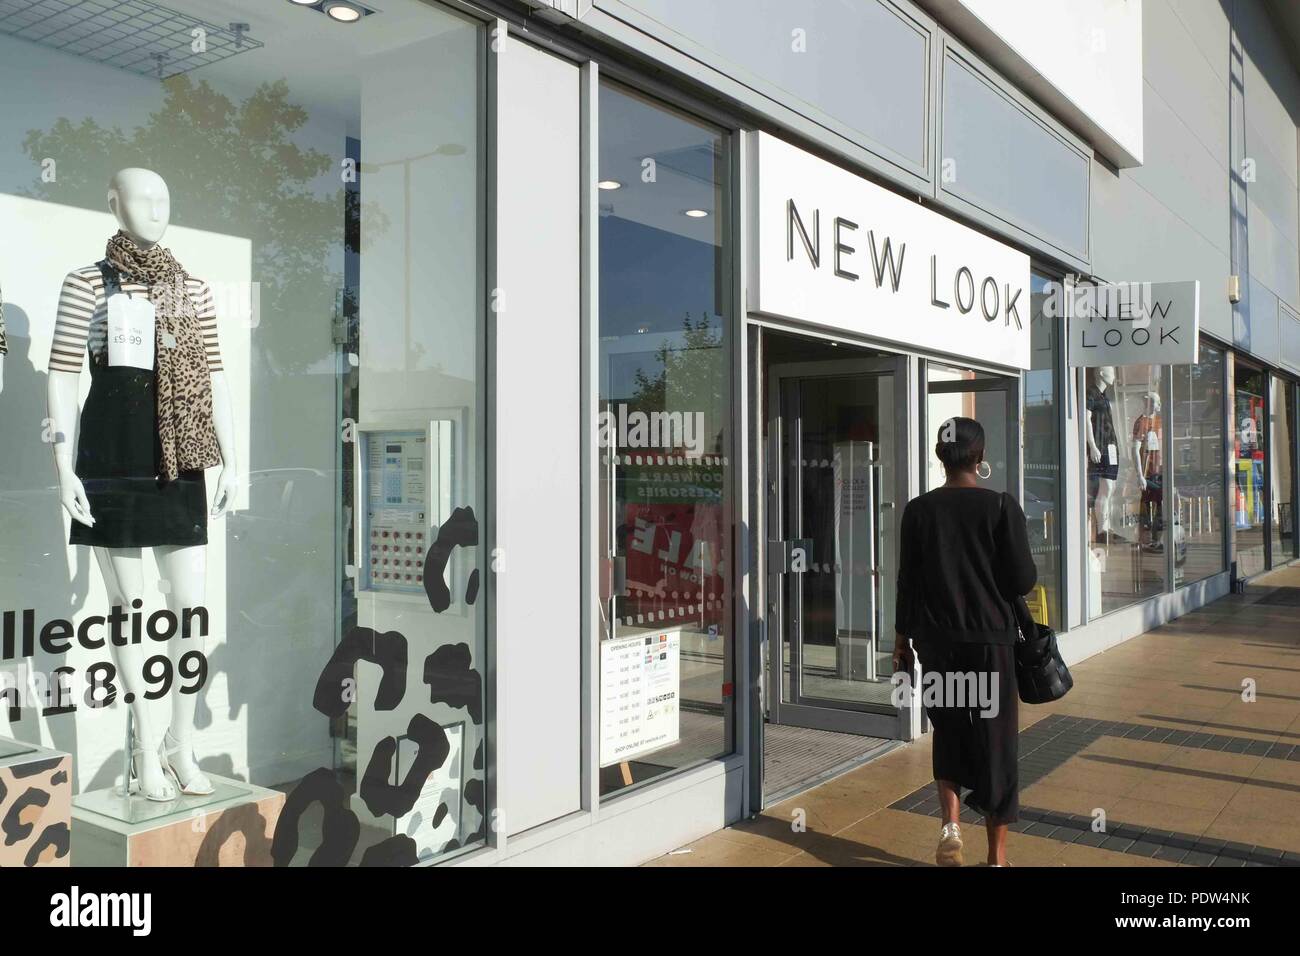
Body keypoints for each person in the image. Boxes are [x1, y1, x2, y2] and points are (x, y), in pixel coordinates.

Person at [892, 417, 1037, 867]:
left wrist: (900, 641)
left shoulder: (918, 510)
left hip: (936, 642)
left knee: (950, 731)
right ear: (979, 457)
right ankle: (996, 859)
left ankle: (950, 825)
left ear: (942, 456)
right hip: (990, 643)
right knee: (996, 743)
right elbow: (1022, 581)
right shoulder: (999, 507)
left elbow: (907, 583)